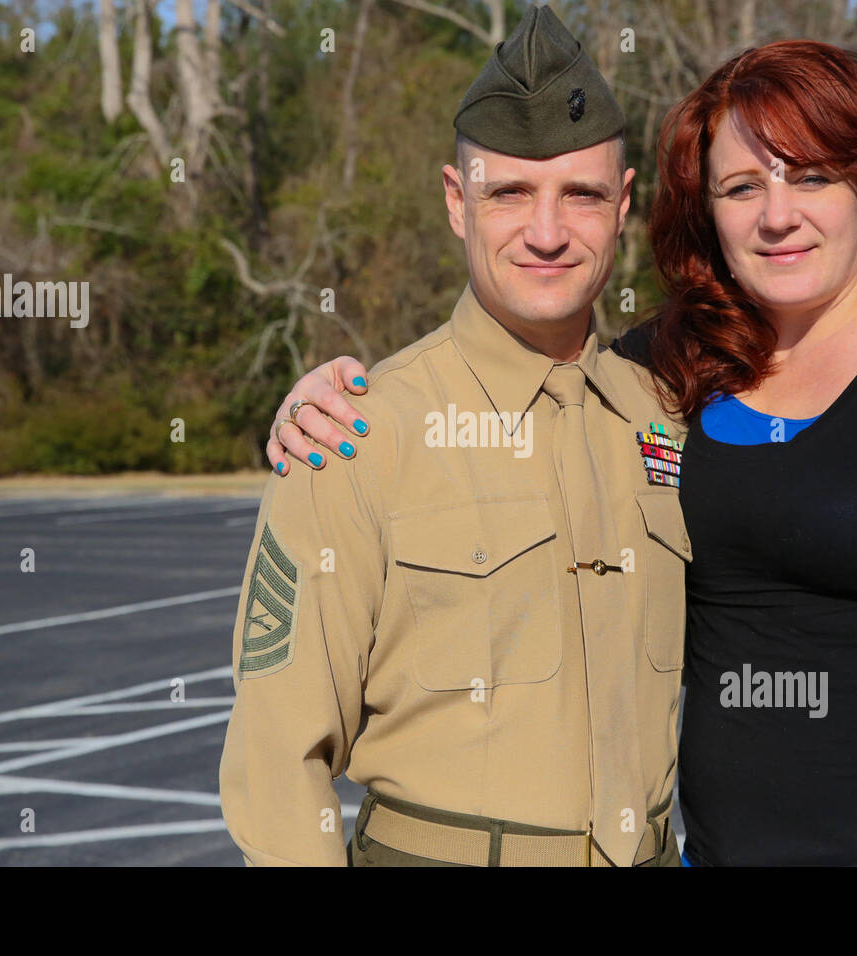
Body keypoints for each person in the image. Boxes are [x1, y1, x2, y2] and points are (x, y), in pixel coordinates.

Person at [267, 39, 857, 866]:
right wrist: (333, 396)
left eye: (812, 176)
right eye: (742, 187)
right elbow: (525, 367)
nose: (778, 215)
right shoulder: (666, 370)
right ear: (706, 208)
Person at [219, 4, 691, 867]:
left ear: (623, 206)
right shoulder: (357, 432)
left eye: (581, 195)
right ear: (455, 201)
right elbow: (278, 762)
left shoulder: (665, 412)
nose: (546, 233)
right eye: (509, 191)